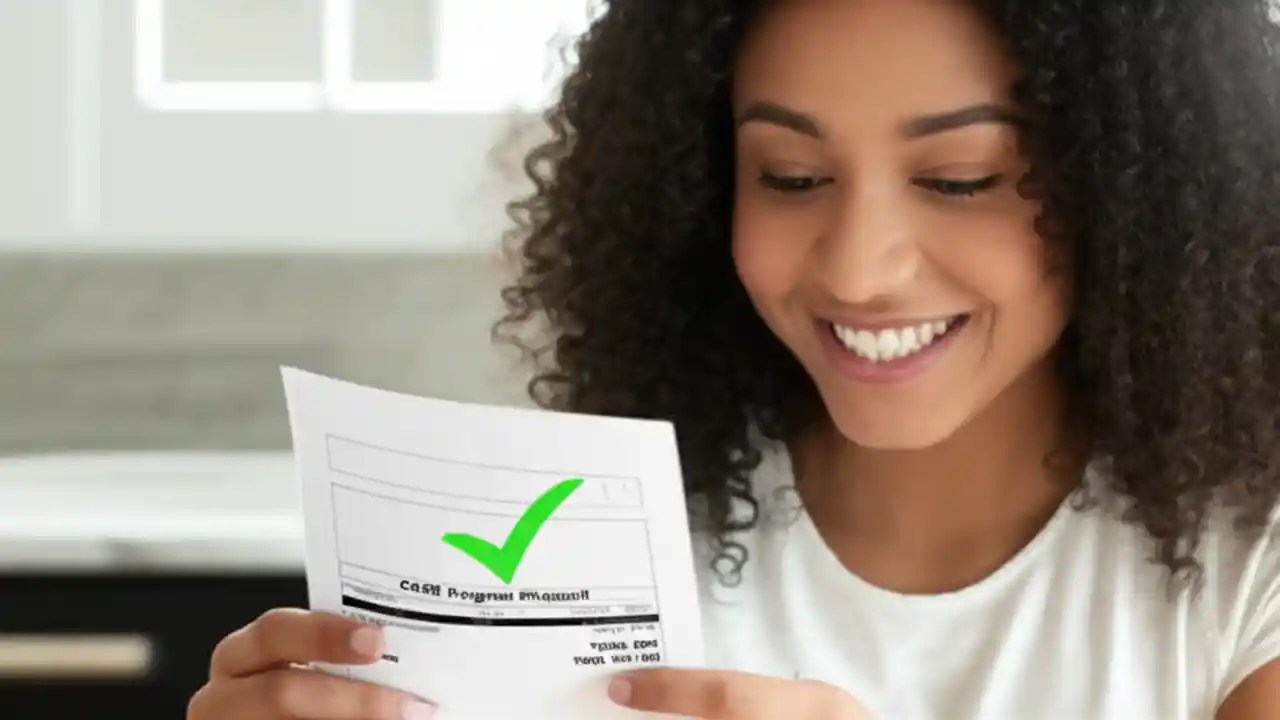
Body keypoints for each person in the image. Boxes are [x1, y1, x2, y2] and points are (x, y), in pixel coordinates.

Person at [187, 0, 1280, 718]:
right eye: (792, 178)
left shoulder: (1250, 572)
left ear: (1141, 196)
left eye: (958, 179)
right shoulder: (587, 542)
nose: (857, 271)